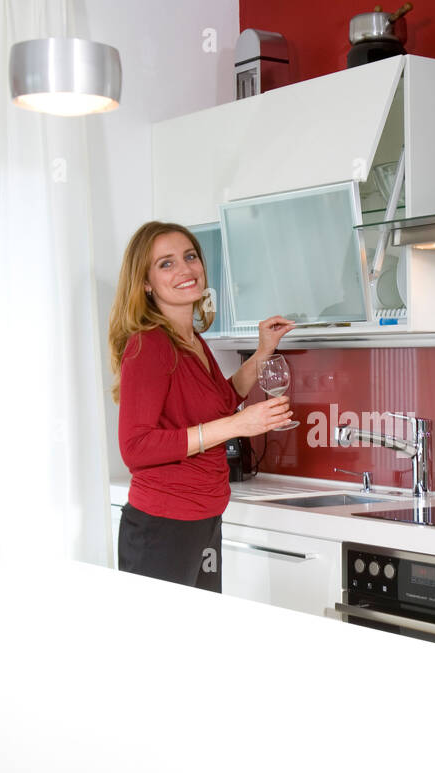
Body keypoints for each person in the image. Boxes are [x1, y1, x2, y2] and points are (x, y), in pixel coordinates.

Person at [108, 221, 295, 590]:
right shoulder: (150, 345)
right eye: (166, 263)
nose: (185, 269)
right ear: (145, 283)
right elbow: (135, 448)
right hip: (162, 526)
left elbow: (221, 402)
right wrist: (239, 425)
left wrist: (262, 352)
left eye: (189, 256)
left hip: (203, 517)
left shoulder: (190, 339)